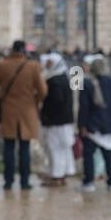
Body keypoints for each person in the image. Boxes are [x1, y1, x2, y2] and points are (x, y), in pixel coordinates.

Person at [0, 40, 47, 191]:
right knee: (25, 148)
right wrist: (34, 101)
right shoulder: (33, 66)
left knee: (8, 147)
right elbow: (43, 91)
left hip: (8, 111)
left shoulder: (4, 65)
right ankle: (24, 181)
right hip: (27, 111)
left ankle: (8, 181)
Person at [77, 57, 111, 192]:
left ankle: (89, 182)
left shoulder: (86, 83)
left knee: (89, 155)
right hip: (109, 124)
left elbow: (84, 107)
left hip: (93, 125)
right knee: (109, 155)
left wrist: (82, 126)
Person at [38, 51, 76, 186]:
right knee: (63, 148)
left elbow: (55, 102)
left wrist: (46, 116)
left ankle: (56, 175)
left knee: (55, 148)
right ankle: (61, 174)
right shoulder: (64, 78)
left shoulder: (54, 81)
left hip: (56, 122)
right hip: (64, 121)